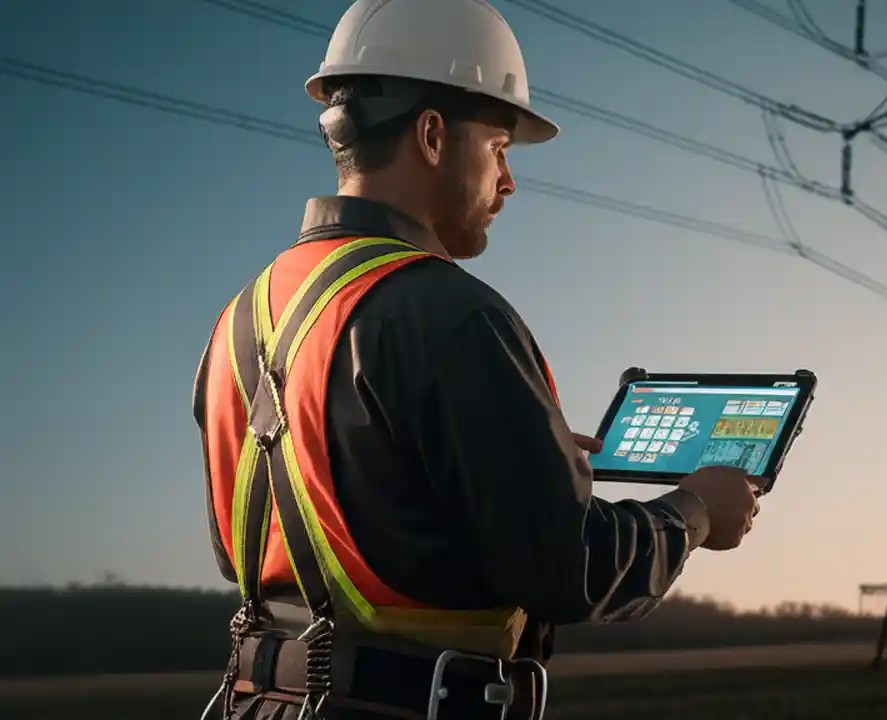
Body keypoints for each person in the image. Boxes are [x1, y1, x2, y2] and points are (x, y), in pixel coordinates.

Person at [192, 1, 763, 718]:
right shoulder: (451, 314)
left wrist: (500, 470)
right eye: (499, 147)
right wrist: (696, 513)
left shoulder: (241, 319)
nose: (509, 180)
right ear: (432, 135)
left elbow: (251, 549)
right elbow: (570, 569)